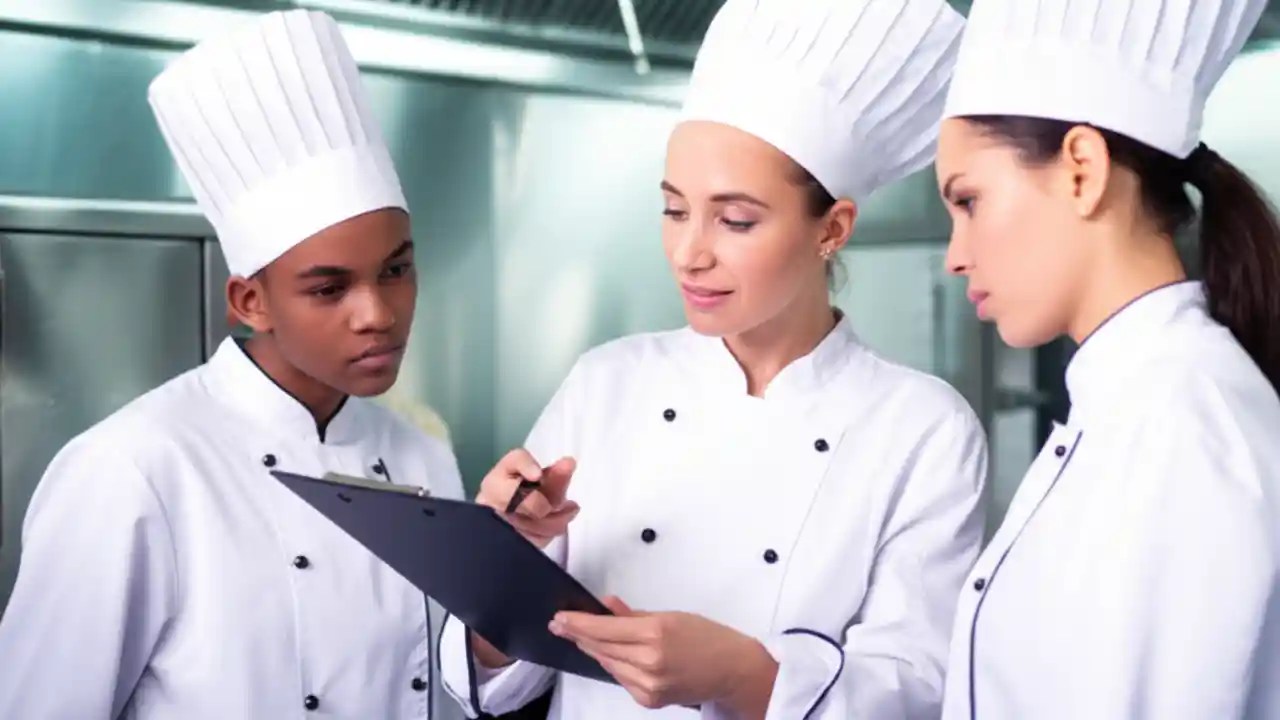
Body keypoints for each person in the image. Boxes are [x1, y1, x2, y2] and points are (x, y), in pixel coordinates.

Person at [440, 0, 988, 718]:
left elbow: (917, 691)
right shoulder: (607, 381)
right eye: (674, 210)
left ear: (832, 229)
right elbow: (501, 674)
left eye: (735, 220)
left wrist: (743, 677)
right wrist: (509, 558)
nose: (690, 253)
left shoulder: (921, 427)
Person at [0, 10, 464, 719]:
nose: (378, 313)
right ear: (251, 301)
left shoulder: (425, 459)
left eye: (396, 269)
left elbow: (452, 692)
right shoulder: (135, 470)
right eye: (329, 288)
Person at [933, 0, 1280, 718]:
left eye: (969, 202)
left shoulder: (1180, 425)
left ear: (1082, 170)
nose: (955, 257)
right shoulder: (1135, 403)